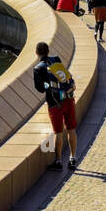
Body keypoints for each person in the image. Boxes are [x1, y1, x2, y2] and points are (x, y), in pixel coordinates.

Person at [32, 41, 78, 170]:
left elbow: (40, 89)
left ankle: (58, 161)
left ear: (37, 53)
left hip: (54, 103)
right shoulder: (56, 59)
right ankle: (73, 158)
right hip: (68, 98)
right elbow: (64, 75)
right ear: (48, 51)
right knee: (71, 129)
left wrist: (48, 86)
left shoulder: (38, 68)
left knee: (58, 132)